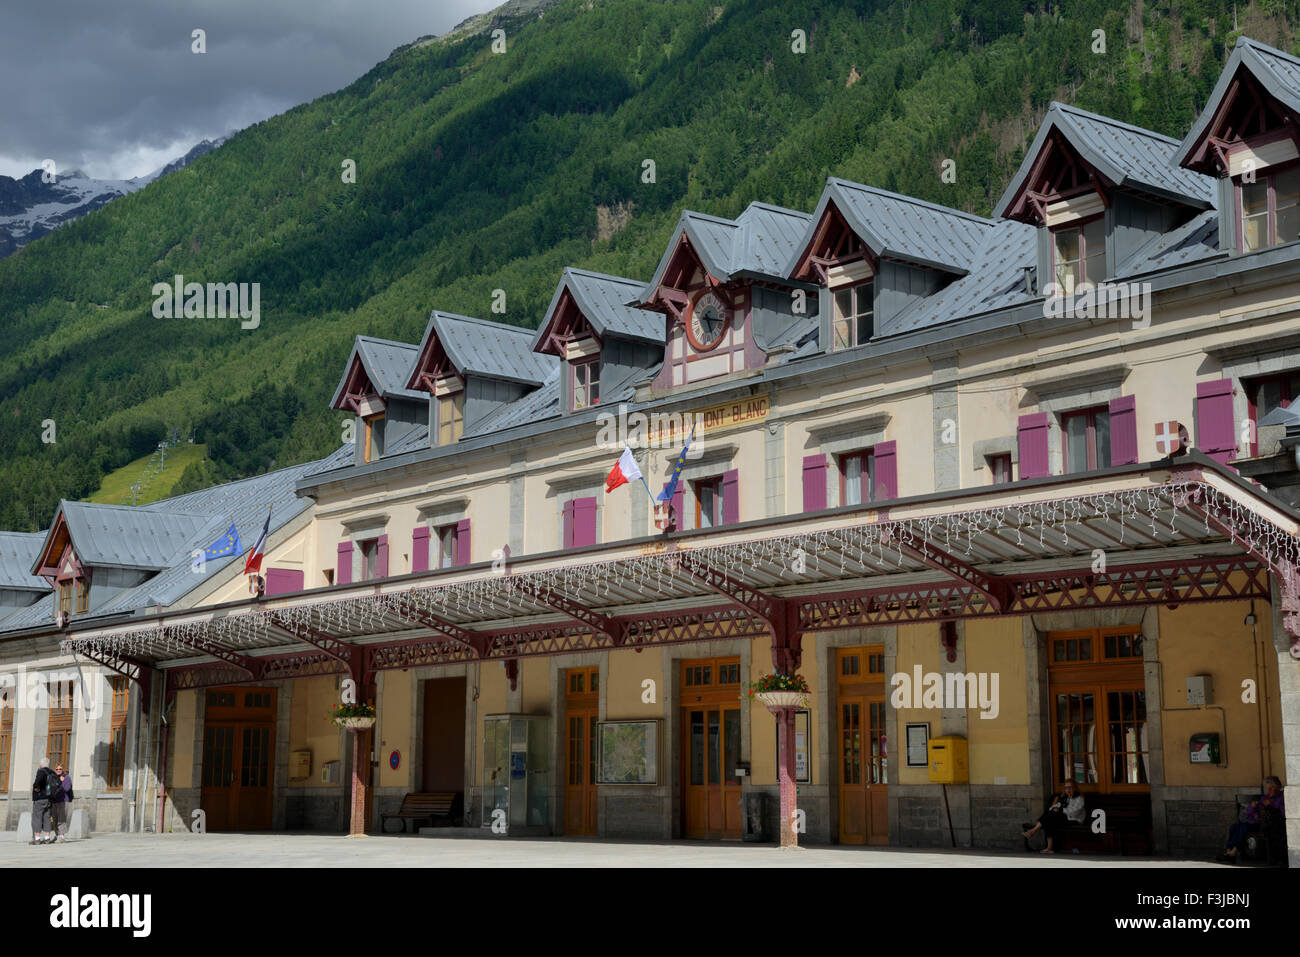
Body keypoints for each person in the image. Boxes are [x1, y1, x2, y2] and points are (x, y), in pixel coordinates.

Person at [1219, 776, 1284, 863]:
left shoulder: (1281, 797)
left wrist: (1272, 805)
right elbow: (1248, 812)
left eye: (1272, 788)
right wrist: (1253, 806)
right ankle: (1229, 851)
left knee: (1244, 828)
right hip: (1255, 821)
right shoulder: (1265, 797)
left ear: (1278, 787)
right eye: (1268, 788)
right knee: (1234, 827)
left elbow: (1283, 812)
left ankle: (1233, 853)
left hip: (1269, 824)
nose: (1270, 790)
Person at [1023, 779, 1085, 853]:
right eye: (1066, 788)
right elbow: (1054, 807)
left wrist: (1060, 809)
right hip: (1062, 817)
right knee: (1050, 816)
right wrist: (1055, 808)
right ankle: (1048, 846)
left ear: (1075, 788)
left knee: (1050, 816)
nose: (1068, 789)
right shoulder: (1064, 797)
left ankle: (1034, 830)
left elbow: (1075, 812)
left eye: (1070, 787)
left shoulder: (1079, 798)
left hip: (1074, 819)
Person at [30, 757, 58, 846]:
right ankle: (47, 838)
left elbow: (37, 782)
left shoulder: (41, 771)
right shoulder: (52, 772)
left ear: (40, 765)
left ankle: (37, 839)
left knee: (37, 817)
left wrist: (36, 787)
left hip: (40, 797)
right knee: (47, 817)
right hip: (49, 799)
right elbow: (59, 784)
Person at [50, 762, 74, 843]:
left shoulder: (66, 778)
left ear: (63, 770)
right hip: (54, 801)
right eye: (56, 769)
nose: (58, 770)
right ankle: (57, 836)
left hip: (63, 801)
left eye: (60, 769)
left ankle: (62, 836)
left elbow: (67, 788)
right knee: (54, 819)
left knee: (61, 819)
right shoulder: (53, 778)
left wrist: (61, 782)